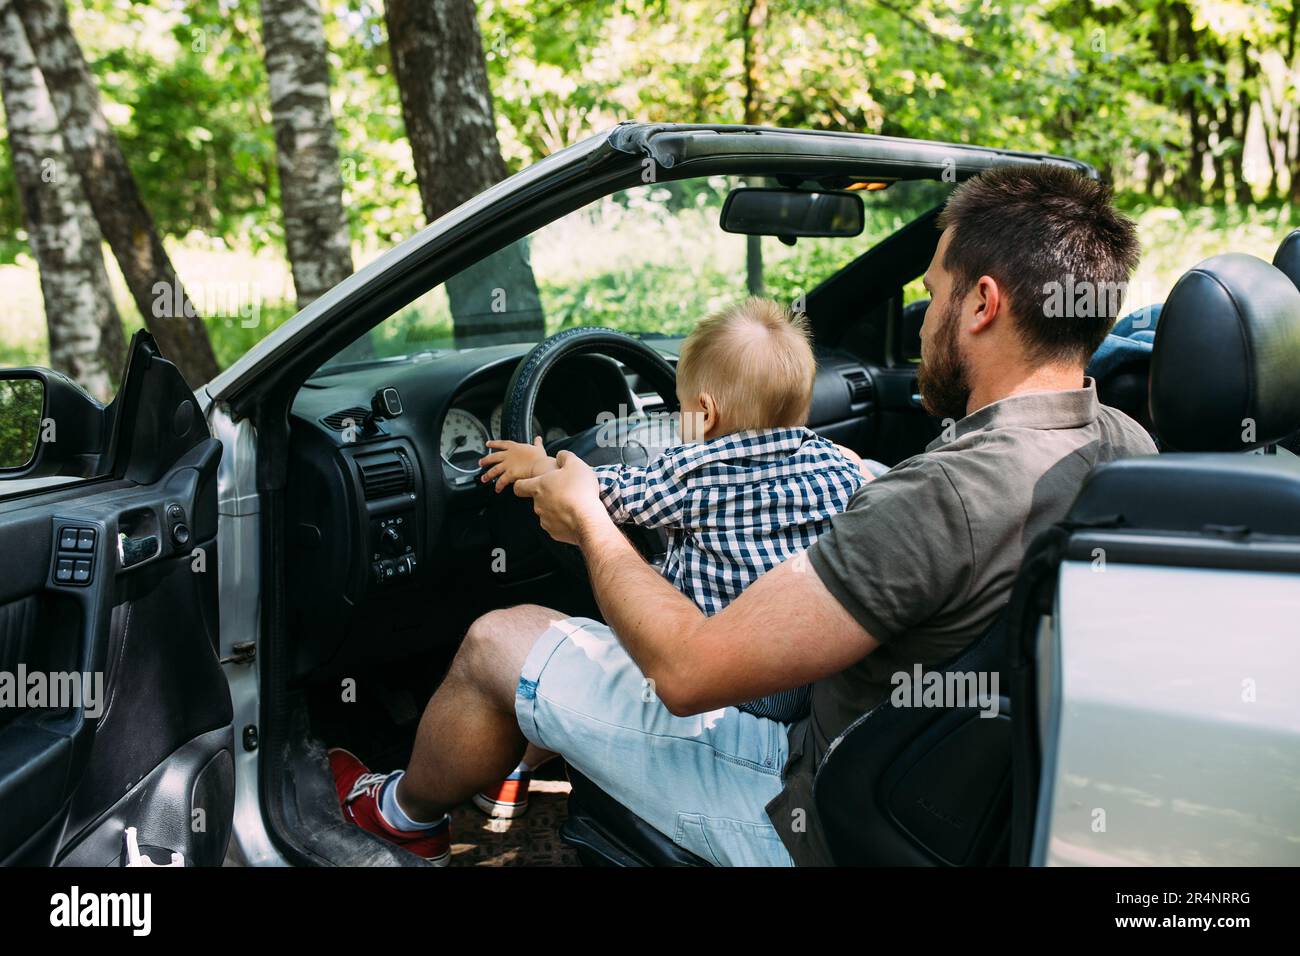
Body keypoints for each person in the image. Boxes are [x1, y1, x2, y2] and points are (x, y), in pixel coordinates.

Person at [329, 163, 1157, 866]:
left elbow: (688, 675)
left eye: (931, 295)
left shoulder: (940, 495)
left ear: (981, 304)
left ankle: (399, 817)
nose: (922, 318)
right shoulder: (1127, 448)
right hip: (965, 811)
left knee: (494, 641)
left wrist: (588, 516)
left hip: (809, 814)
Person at [467, 298, 865, 819]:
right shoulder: (836, 463)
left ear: (705, 413)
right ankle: (521, 763)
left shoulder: (690, 473)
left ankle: (510, 766)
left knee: (602, 640)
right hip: (805, 673)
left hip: (729, 681)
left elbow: (593, 494)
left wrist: (536, 461)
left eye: (678, 409)